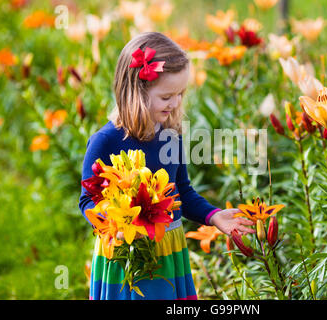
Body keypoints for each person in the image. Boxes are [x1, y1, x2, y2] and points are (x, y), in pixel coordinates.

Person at [78, 32, 255, 300]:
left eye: (180, 94)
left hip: (167, 251)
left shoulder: (170, 136)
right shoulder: (105, 141)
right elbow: (86, 201)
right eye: (166, 96)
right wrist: (113, 223)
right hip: (123, 254)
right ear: (135, 92)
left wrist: (214, 216)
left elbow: (181, 192)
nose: (175, 103)